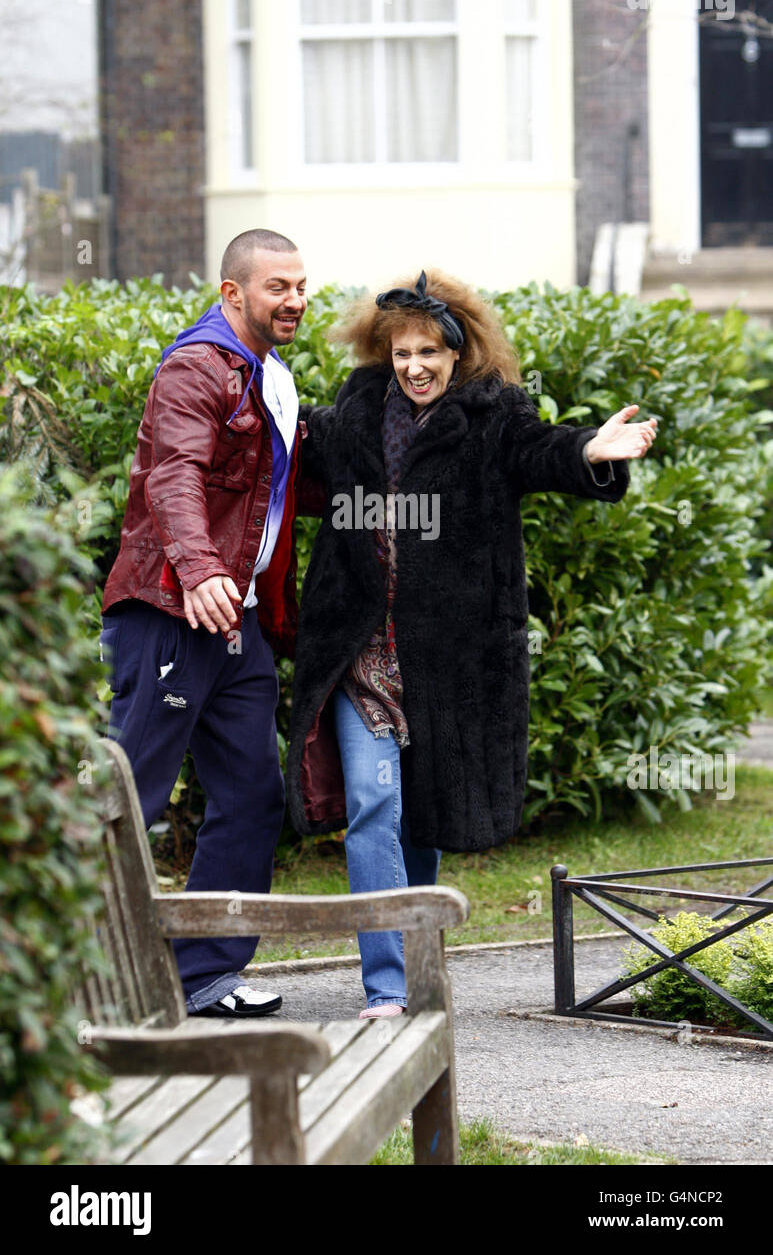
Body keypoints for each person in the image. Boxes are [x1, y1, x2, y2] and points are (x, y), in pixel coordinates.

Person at [286, 269, 657, 1018]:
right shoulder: (355, 410)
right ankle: (387, 984)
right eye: (401, 353)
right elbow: (287, 450)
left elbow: (541, 450)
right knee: (370, 804)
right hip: (359, 652)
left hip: (446, 660)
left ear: (459, 352)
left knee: (419, 815)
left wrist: (594, 449)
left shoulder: (493, 416)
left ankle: (420, 965)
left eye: (429, 351)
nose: (414, 366)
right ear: (382, 354)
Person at [100, 228, 313, 1018]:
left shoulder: (272, 377)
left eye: (299, 285)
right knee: (130, 795)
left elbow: (280, 487)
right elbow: (173, 474)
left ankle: (206, 976)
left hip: (237, 624)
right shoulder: (197, 367)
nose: (293, 299)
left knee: (254, 793)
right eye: (275, 287)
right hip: (170, 611)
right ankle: (69, 975)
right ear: (232, 293)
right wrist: (198, 570)